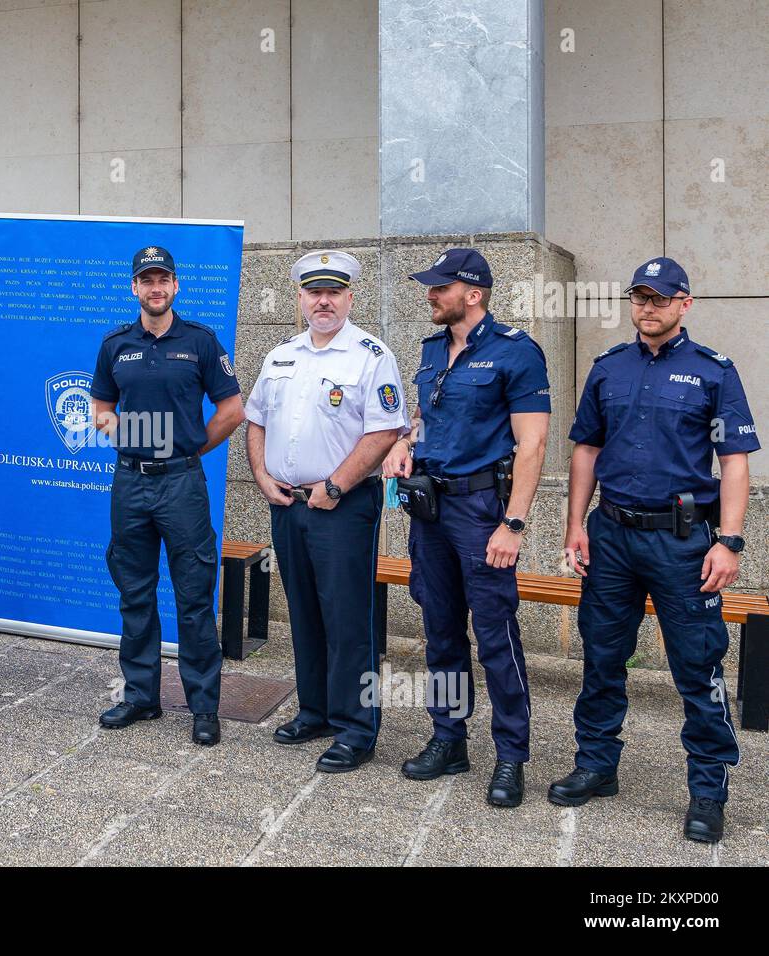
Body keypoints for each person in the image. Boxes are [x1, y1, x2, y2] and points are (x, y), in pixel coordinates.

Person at [550, 257, 757, 844]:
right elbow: (585, 450)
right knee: (602, 656)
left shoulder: (714, 372)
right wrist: (575, 527)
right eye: (639, 297)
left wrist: (730, 541)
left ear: (684, 304)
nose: (648, 307)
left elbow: (734, 462)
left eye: (660, 298)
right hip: (611, 535)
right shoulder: (608, 369)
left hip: (683, 541)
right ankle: (596, 765)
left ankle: (708, 793)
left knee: (697, 665)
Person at [382, 247, 550, 808]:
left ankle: (511, 756)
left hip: (483, 515)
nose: (430, 295)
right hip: (431, 512)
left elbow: (533, 443)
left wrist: (514, 523)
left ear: (472, 294)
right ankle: (449, 738)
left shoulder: (516, 353)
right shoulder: (432, 349)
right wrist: (406, 443)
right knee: (441, 629)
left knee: (496, 635)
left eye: (440, 287)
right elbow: (426, 417)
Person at [246, 251, 407, 771]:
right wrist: (263, 477)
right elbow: (256, 421)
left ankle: (356, 727)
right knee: (304, 613)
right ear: (301, 298)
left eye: (333, 292)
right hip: (287, 504)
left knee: (347, 619)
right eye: (314, 292)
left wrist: (335, 487)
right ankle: (314, 710)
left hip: (340, 506)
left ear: (349, 298)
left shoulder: (369, 355)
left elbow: (385, 430)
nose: (323, 301)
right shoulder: (280, 355)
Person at [90, 245, 245, 748]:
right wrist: (137, 438)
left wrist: (190, 445)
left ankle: (204, 706)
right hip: (131, 483)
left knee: (194, 597)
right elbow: (100, 409)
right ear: (134, 288)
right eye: (146, 281)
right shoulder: (115, 344)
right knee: (134, 593)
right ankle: (140, 696)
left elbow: (232, 408)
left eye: (164, 280)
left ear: (175, 286)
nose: (155, 288)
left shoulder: (199, 341)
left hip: (182, 483)